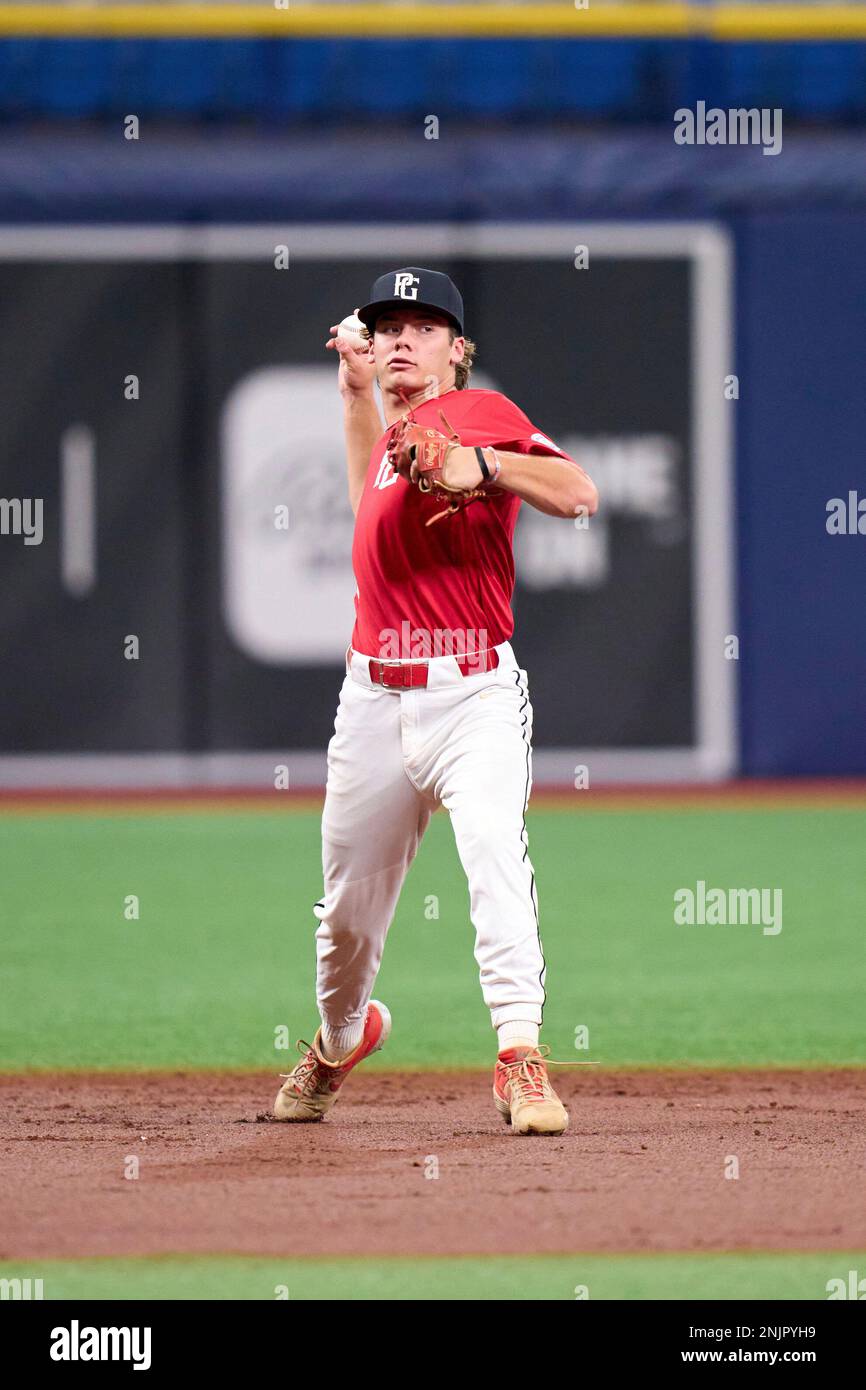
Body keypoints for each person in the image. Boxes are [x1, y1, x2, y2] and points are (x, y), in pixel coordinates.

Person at [274, 267, 598, 1135]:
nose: (402, 339)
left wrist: (483, 466)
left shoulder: (481, 414)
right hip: (373, 701)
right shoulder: (393, 436)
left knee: (493, 851)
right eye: (387, 327)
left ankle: (520, 1058)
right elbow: (363, 517)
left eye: (423, 326)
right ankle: (341, 1040)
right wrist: (352, 395)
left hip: (473, 696)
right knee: (346, 917)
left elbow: (579, 495)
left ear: (458, 350)